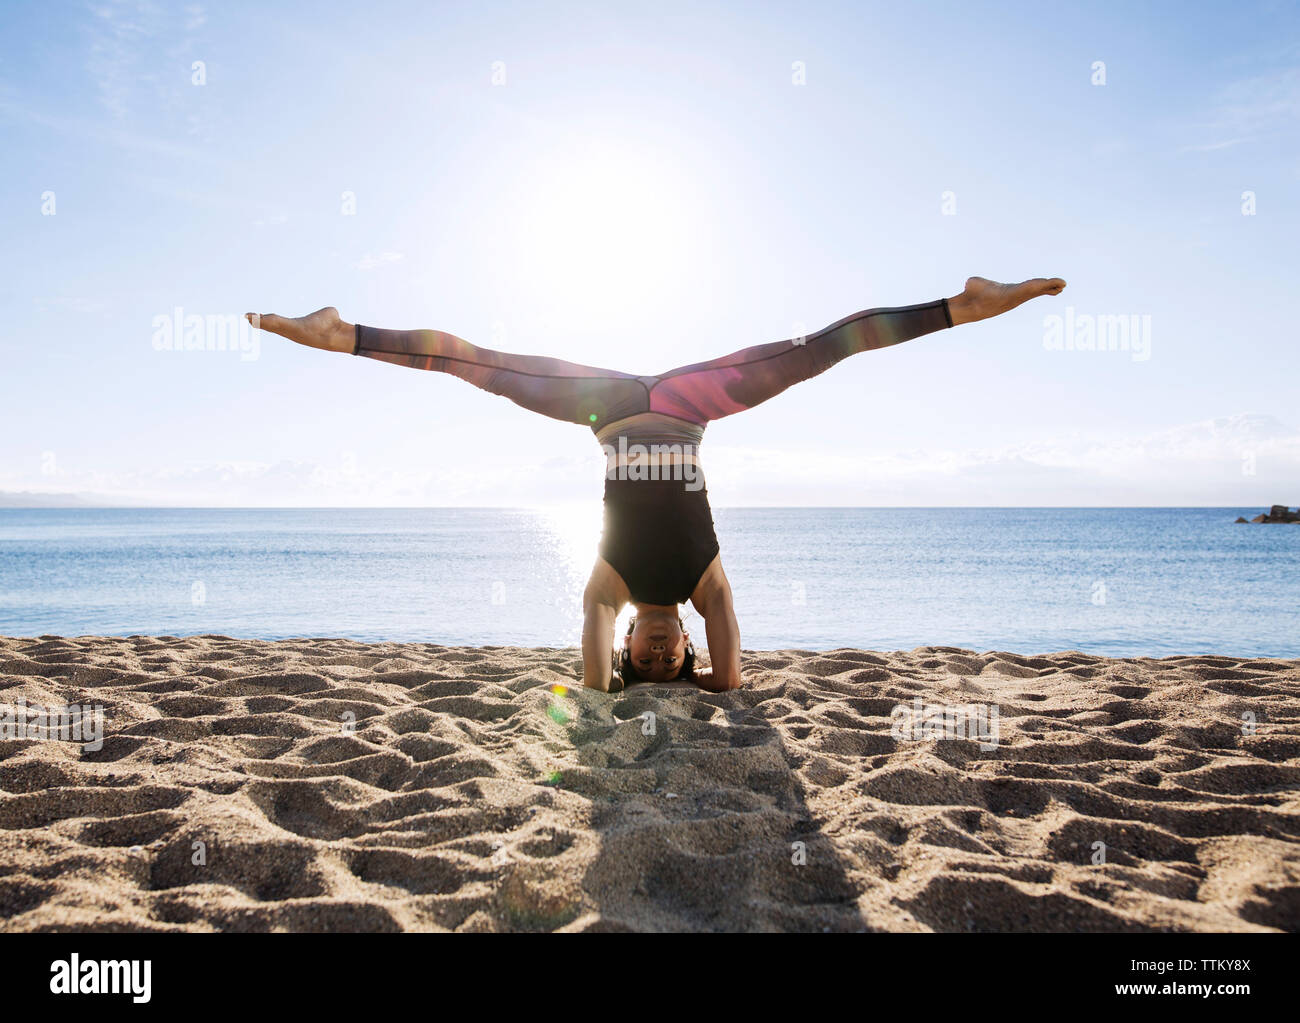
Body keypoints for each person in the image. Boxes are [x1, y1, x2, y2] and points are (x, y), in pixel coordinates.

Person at [247, 275, 1065, 693]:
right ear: (687, 653)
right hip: (685, 405)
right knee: (821, 351)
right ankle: (964, 305)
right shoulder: (708, 591)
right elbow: (732, 676)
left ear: (634, 645)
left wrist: (610, 682)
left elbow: (594, 675)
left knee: (483, 368)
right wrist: (715, 682)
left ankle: (341, 333)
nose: (664, 652)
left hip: (604, 410)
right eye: (675, 660)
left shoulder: (613, 586)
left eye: (649, 656)